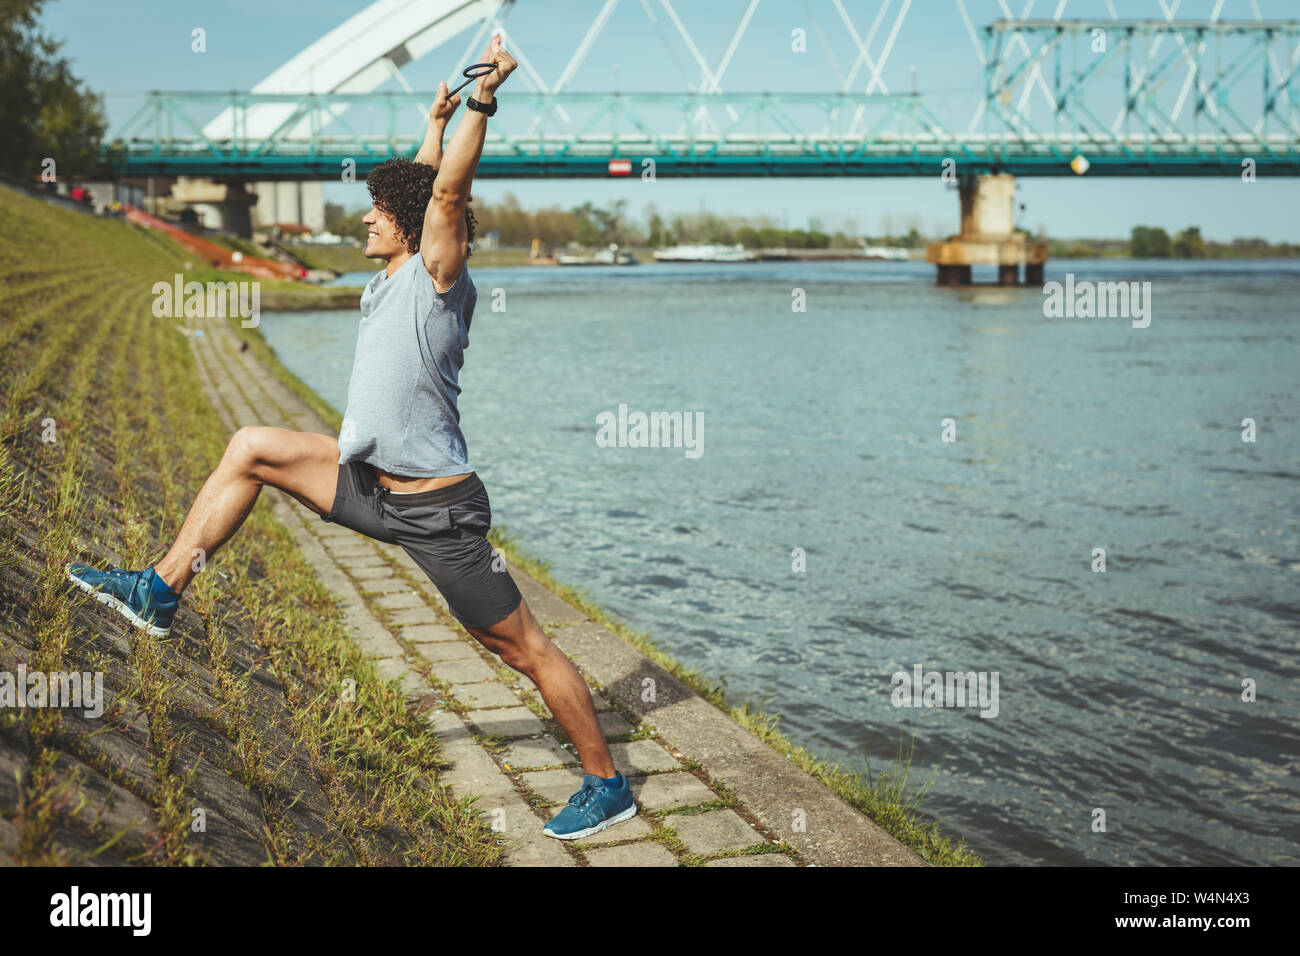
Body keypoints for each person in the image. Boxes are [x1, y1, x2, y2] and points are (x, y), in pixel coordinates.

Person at [65, 34, 635, 842]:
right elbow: (416, 186)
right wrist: (432, 124)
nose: (364, 217)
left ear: (411, 229)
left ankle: (607, 784)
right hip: (367, 485)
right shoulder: (390, 272)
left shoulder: (439, 278)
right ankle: (159, 591)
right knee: (251, 446)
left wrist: (481, 102)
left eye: (377, 212)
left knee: (523, 649)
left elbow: (440, 198)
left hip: (437, 513)